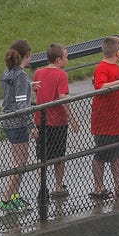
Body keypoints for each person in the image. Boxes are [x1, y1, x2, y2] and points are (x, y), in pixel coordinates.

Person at [90, 36, 119, 200]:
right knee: (101, 155)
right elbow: (100, 86)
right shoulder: (102, 68)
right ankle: (98, 187)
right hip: (105, 122)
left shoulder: (117, 67)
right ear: (117, 52)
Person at [0, 39, 38, 213]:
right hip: (18, 123)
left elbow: (14, 92)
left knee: (20, 161)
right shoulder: (21, 74)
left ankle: (14, 196)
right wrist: (31, 126)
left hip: (6, 120)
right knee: (20, 162)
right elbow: (22, 105)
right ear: (27, 55)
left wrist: (29, 86)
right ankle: (6, 198)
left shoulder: (8, 71)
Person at [33, 44, 77, 199]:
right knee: (59, 156)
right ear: (59, 60)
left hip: (40, 120)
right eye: (66, 57)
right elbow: (62, 98)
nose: (67, 59)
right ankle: (58, 186)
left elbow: (37, 91)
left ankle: (42, 187)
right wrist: (72, 119)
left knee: (42, 156)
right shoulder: (61, 75)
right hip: (58, 121)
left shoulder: (38, 73)